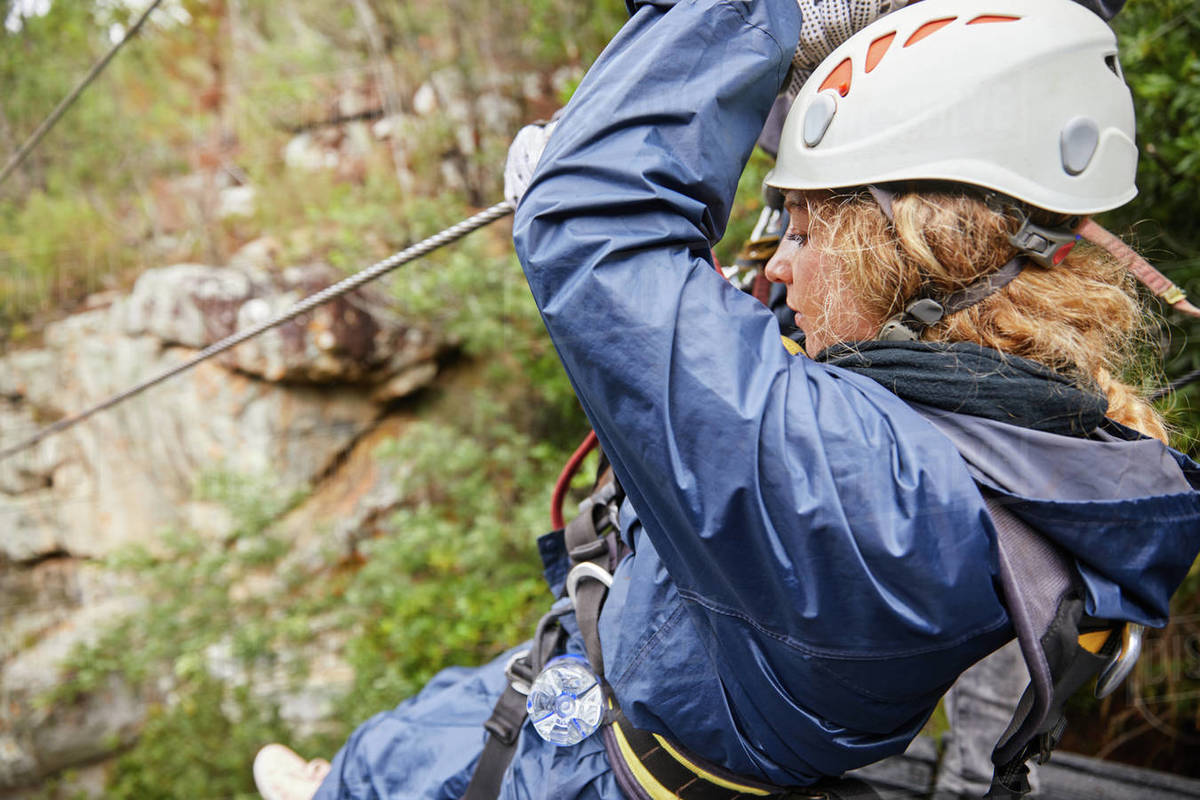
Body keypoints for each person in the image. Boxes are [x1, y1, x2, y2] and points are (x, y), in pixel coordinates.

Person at [255, 0, 1200, 798]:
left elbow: (592, 227)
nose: (776, 264)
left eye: (803, 223)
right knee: (441, 719)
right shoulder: (983, 422)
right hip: (613, 660)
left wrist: (761, 17)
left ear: (902, 262)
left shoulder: (872, 508)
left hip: (591, 761)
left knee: (395, 767)